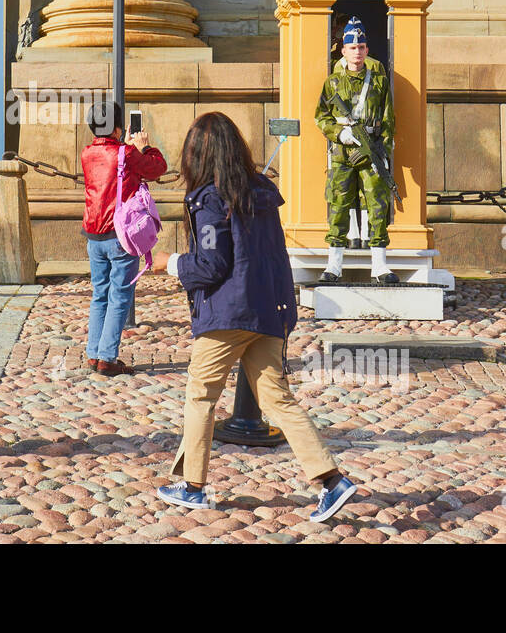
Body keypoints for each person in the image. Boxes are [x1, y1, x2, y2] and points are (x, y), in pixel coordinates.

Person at [150, 111, 359, 522]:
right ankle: (333, 481)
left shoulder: (211, 199)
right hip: (270, 307)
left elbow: (211, 264)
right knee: (276, 399)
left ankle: (192, 487)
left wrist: (170, 262)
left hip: (230, 313)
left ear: (198, 154)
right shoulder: (261, 190)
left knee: (200, 395)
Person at [80, 101, 166, 376]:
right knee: (120, 296)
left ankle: (94, 354)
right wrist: (144, 147)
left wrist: (128, 148)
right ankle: (107, 358)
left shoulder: (87, 153)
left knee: (100, 295)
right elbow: (157, 168)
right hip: (120, 236)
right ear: (118, 127)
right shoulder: (126, 153)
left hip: (93, 235)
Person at [314, 16, 397, 283]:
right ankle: (334, 266)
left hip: (370, 151)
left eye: (361, 47)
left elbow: (388, 120)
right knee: (338, 205)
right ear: (343, 51)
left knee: (377, 206)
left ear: (367, 50)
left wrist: (380, 151)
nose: (357, 52)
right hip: (342, 154)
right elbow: (322, 117)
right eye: (352, 48)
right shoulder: (332, 83)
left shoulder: (379, 82)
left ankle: (380, 266)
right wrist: (341, 134)